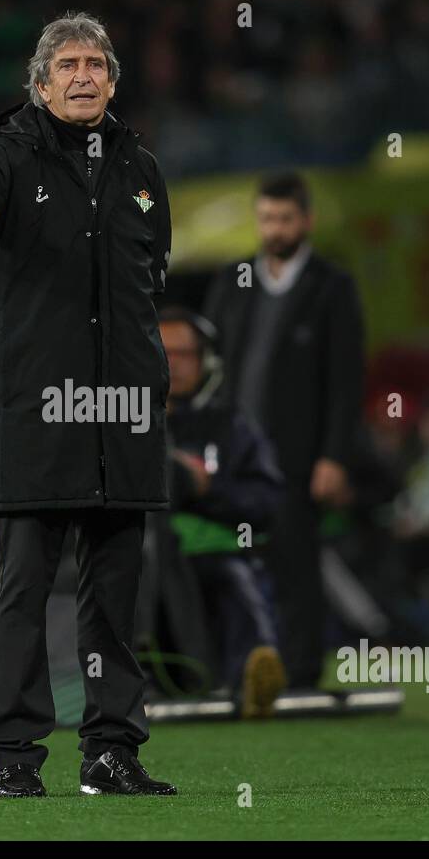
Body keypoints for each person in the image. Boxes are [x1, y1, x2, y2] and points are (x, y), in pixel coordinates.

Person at [0, 12, 175, 797]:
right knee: (23, 595)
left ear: (111, 80)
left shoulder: (141, 169)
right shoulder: (10, 153)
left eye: (95, 64)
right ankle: (15, 757)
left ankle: (111, 751)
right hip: (38, 414)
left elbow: (152, 283)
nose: (82, 75)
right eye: (66, 64)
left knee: (113, 599)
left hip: (121, 417)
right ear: (39, 84)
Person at [204, 172, 365, 689]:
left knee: (296, 563)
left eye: (285, 219)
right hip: (237, 452)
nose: (274, 229)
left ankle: (300, 671)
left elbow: (346, 380)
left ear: (307, 221)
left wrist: (335, 456)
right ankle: (236, 666)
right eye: (267, 219)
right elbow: (211, 367)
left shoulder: (331, 287)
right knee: (233, 563)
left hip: (297, 453)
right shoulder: (233, 281)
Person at [157, 307, 287, 716]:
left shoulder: (230, 426)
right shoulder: (116, 419)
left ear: (206, 362)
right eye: (163, 352)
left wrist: (205, 488)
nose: (173, 364)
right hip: (138, 558)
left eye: (185, 354)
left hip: (210, 559)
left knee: (234, 576)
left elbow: (266, 503)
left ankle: (250, 676)